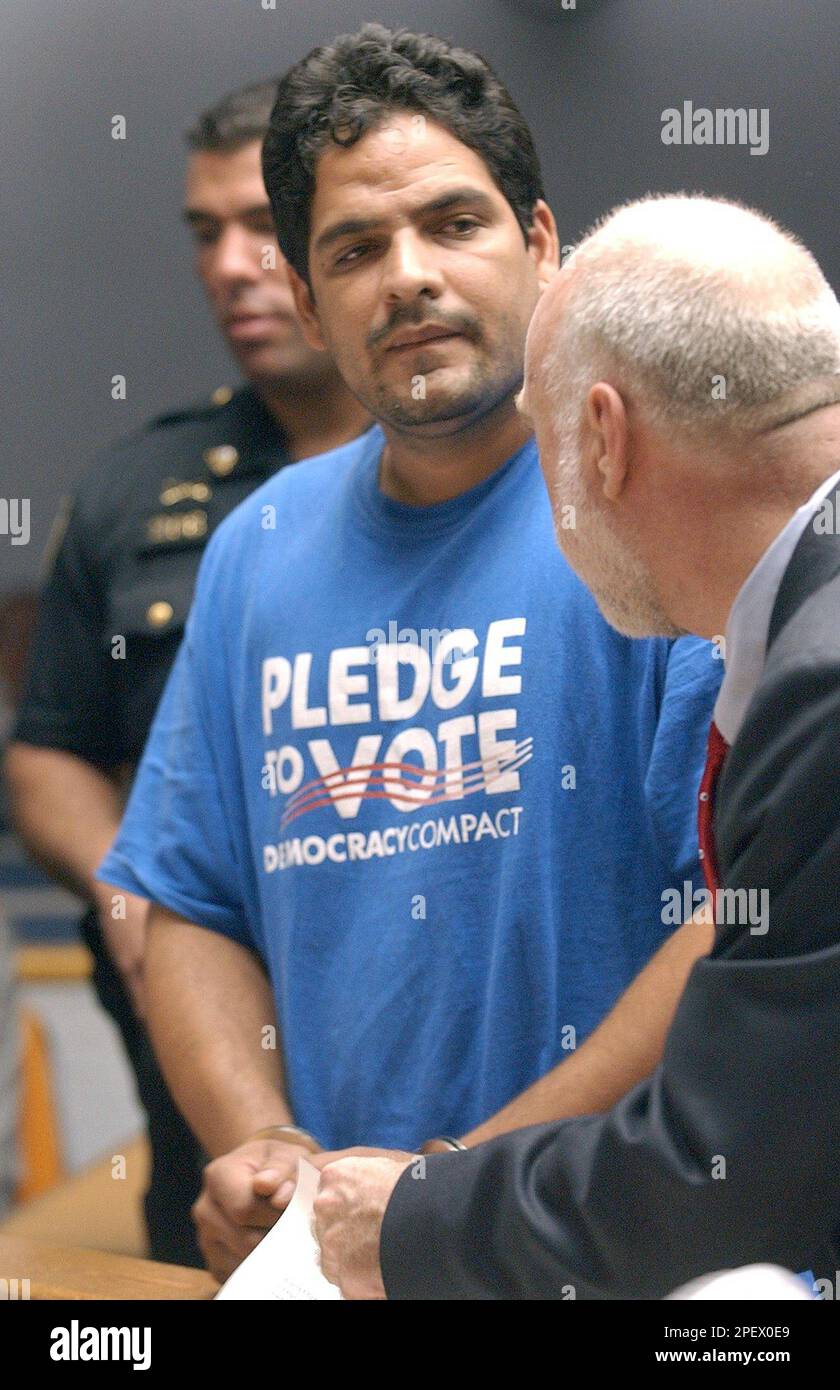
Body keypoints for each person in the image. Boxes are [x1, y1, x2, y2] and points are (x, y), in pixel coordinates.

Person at [97, 26, 721, 1282]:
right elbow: (190, 899)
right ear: (311, 300)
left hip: (624, 1246)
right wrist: (270, 1144)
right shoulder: (255, 550)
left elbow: (738, 921)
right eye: (356, 250)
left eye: (454, 224)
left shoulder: (668, 506)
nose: (410, 276)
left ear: (543, 246)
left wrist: (455, 1189)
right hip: (346, 1265)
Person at [312, 194, 840, 1300]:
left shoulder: (821, 689)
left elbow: (725, 1174)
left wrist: (413, 1220)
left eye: (542, 454)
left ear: (602, 439)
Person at [4, 78, 370, 1265]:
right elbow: (51, 748)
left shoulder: (489, 465)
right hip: (199, 1019)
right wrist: (136, 896)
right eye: (204, 232)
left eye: (261, 224)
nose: (230, 263)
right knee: (208, 1254)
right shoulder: (137, 486)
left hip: (411, 962)